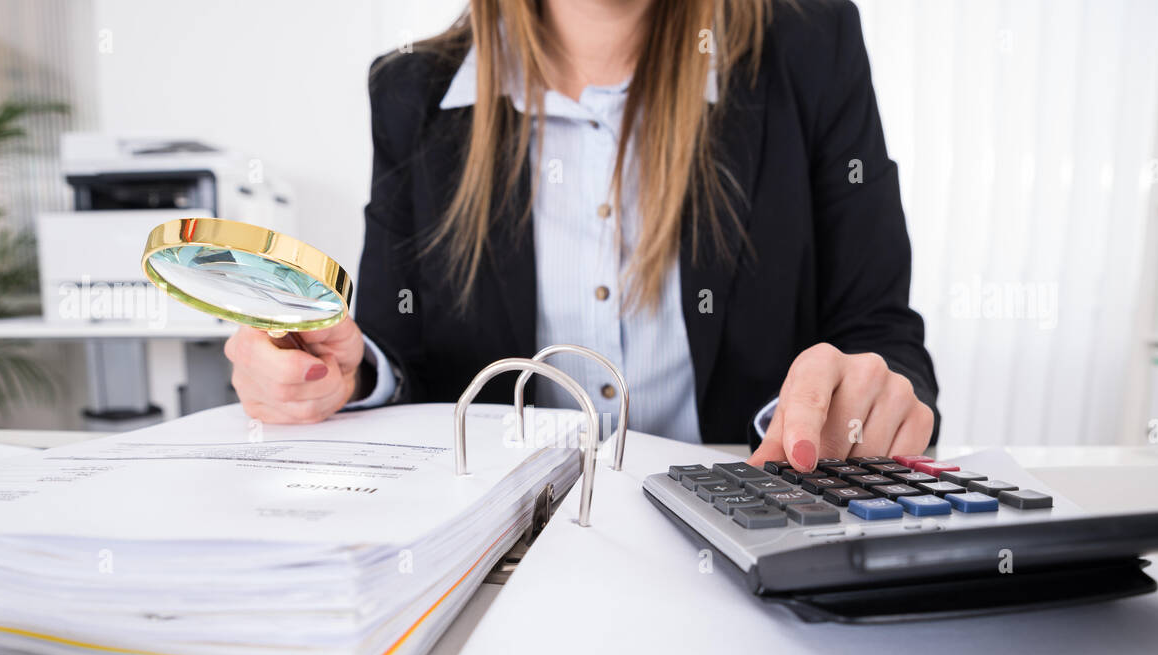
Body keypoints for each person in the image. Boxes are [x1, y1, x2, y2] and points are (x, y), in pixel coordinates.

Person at [224, 0, 939, 473]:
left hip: (751, 538)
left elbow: (880, 333)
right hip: (501, 563)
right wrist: (341, 375)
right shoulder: (412, 91)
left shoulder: (809, 47)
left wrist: (851, 401)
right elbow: (402, 357)